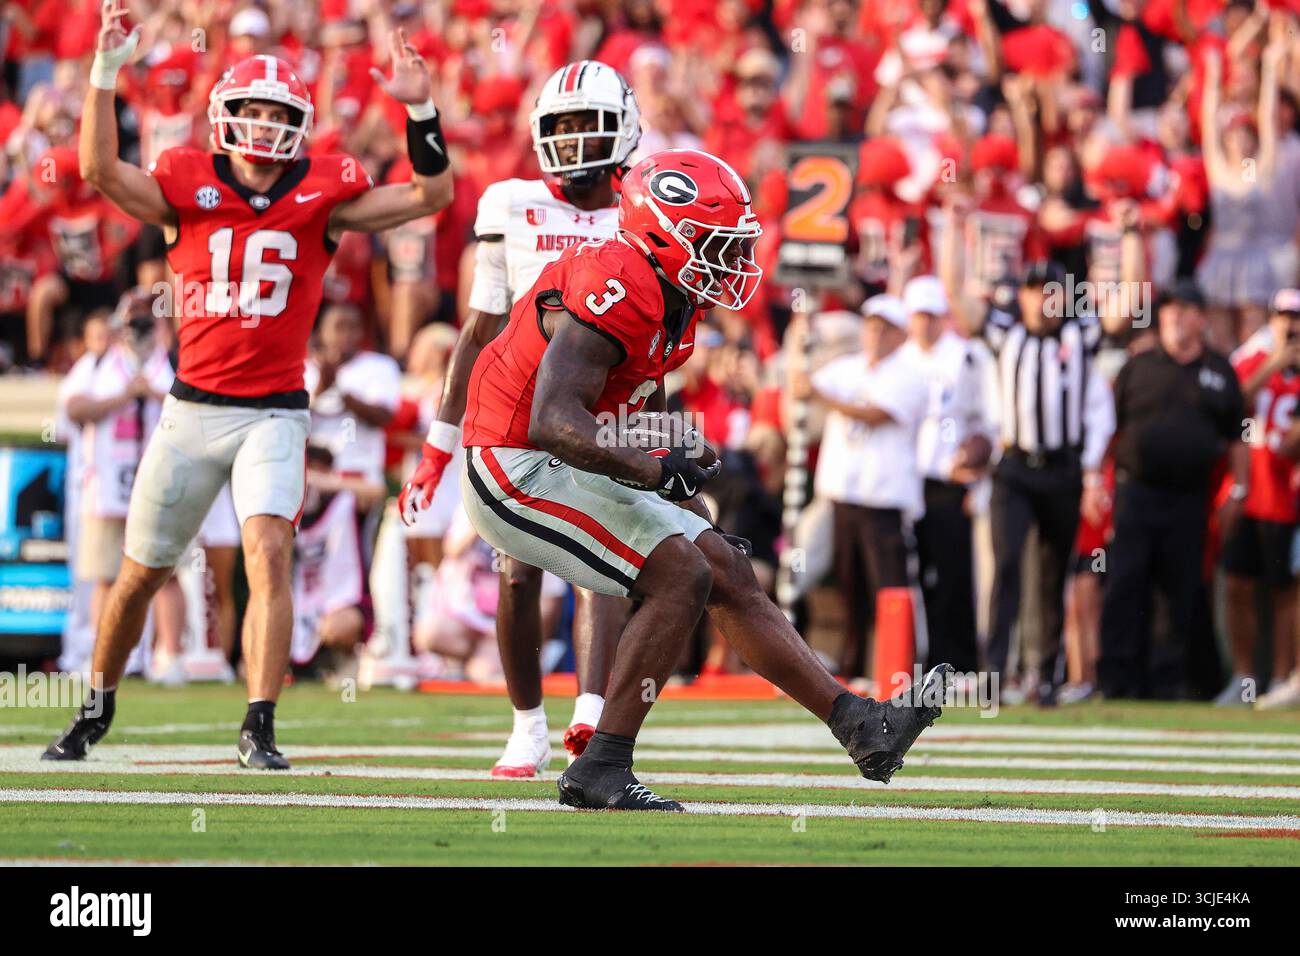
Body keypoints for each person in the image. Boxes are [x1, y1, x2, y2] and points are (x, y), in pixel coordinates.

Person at [459, 147, 949, 811]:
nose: (732, 261)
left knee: (721, 563)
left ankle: (860, 725)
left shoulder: (671, 293)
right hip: (510, 461)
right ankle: (601, 765)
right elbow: (552, 420)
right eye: (717, 245)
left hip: (561, 456)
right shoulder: (620, 280)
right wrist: (654, 467)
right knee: (680, 575)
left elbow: (631, 407)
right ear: (665, 235)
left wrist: (679, 470)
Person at [44, 6, 454, 768]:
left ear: (300, 123)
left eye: (279, 113)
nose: (265, 126)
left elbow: (430, 197)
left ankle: (258, 723)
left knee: (267, 550)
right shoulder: (183, 181)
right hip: (191, 408)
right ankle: (93, 710)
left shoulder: (321, 191)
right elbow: (99, 171)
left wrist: (419, 108)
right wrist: (104, 75)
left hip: (274, 410)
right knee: (139, 576)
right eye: (254, 111)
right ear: (224, 115)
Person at [400, 61, 640, 777]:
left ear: (623, 131)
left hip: (605, 408)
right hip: (516, 410)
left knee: (603, 568)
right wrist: (437, 450)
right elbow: (479, 331)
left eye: (584, 127)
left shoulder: (643, 210)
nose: (569, 143)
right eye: (558, 128)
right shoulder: (510, 203)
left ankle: (592, 718)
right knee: (515, 570)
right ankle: (527, 724)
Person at [1099, 279, 1247, 700]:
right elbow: (1107, 429)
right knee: (1125, 582)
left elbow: (1237, 437)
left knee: (1177, 590)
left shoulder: (1219, 371)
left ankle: (1167, 680)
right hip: (1136, 492)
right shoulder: (1138, 367)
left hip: (1188, 497)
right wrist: (1096, 482)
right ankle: (1116, 679)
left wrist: (1238, 491)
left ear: (1202, 318)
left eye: (1185, 309)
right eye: (1169, 309)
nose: (1175, 316)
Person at [983, 260, 1115, 703]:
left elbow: (1115, 314)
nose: (1041, 300)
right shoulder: (1008, 336)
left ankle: (1046, 677)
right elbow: (964, 307)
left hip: (1063, 470)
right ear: (1021, 297)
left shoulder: (1082, 337)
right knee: (1006, 564)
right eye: (1033, 290)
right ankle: (995, 674)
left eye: (1049, 291)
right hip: (1015, 468)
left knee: (1054, 572)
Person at [792, 294, 928, 683]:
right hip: (844, 495)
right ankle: (854, 665)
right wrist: (800, 334)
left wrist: (821, 396)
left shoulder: (909, 374)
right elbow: (803, 388)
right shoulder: (847, 367)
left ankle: (899, 666)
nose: (876, 334)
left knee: (890, 587)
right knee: (849, 586)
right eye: (871, 326)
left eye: (885, 328)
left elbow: (876, 414)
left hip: (883, 499)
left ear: (900, 335)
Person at [67, 291, 184, 684]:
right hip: (107, 487)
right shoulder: (98, 363)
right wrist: (122, 396)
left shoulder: (169, 360)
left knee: (166, 573)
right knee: (104, 574)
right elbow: (74, 408)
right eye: (131, 320)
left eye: (144, 320)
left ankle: (170, 656)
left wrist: (149, 392)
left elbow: (190, 407)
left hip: (157, 485)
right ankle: (101, 657)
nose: (138, 329)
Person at [898, 275, 998, 674]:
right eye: (918, 316)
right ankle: (915, 662)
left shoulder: (966, 356)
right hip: (905, 480)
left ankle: (958, 663)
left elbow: (988, 421)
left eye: (932, 316)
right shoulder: (901, 358)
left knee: (955, 575)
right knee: (914, 576)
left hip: (950, 479)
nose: (924, 324)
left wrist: (980, 470)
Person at [1214, 288, 1300, 705]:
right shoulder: (1255, 358)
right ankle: (1245, 680)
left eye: (1295, 317)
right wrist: (1274, 365)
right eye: (1284, 315)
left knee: (1284, 590)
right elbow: (1231, 404)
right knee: (1238, 584)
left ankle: (1282, 679)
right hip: (1248, 492)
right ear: (1273, 318)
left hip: (1286, 495)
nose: (1291, 323)